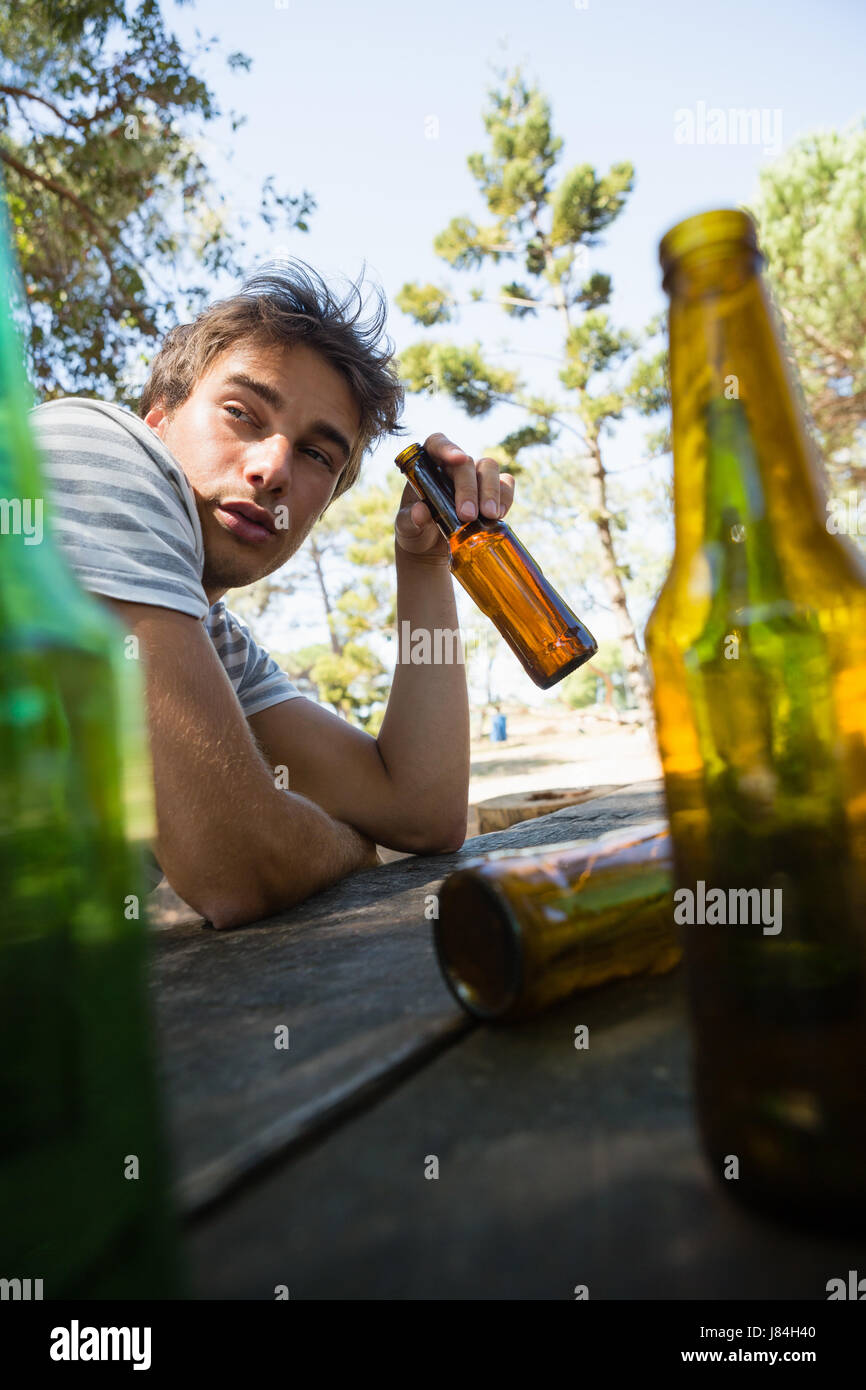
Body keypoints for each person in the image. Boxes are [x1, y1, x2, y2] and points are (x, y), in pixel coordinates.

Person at [30, 259, 516, 929]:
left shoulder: (213, 644)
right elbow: (237, 864)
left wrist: (424, 562)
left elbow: (424, 811)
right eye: (242, 413)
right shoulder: (84, 446)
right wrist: (348, 844)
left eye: (319, 455)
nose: (274, 468)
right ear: (157, 421)